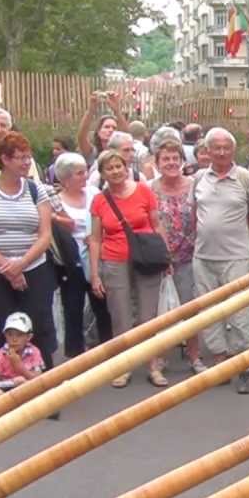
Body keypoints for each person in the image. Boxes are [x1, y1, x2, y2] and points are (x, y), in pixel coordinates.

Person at [0, 131, 58, 375]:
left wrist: (21, 265)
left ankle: (42, 382)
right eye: (21, 158)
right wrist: (7, 268)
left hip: (35, 269)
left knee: (38, 324)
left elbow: (45, 235)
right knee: (1, 325)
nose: (27, 162)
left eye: (28, 157)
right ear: (5, 160)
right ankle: (3, 383)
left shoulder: (35, 189)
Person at [192, 128, 249, 394]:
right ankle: (220, 362)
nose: (221, 152)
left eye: (226, 148)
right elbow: (195, 213)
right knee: (209, 313)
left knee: (240, 313)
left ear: (233, 151)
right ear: (207, 151)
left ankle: (246, 367)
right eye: (216, 148)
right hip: (204, 256)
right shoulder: (199, 177)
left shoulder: (245, 178)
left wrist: (243, 243)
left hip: (237, 257)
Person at [89, 148, 166, 388]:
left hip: (146, 258)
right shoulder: (100, 200)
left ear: (126, 167)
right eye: (109, 168)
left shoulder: (144, 190)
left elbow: (157, 224)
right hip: (114, 259)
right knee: (120, 316)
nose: (115, 172)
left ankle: (153, 365)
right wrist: (94, 274)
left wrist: (167, 257)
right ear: (102, 173)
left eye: (118, 166)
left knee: (147, 316)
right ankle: (123, 366)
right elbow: (95, 239)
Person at [52, 151, 113, 358]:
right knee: (72, 307)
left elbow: (106, 218)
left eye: (85, 172)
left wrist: (98, 236)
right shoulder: (56, 201)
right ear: (66, 178)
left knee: (103, 306)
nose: (85, 176)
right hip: (71, 261)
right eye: (79, 173)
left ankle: (109, 352)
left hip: (96, 258)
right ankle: (75, 355)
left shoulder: (94, 193)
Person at [150, 139, 202, 372]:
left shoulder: (195, 185)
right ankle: (160, 357)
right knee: (159, 311)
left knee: (189, 308)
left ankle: (194, 356)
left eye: (175, 158)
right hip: (159, 258)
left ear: (182, 161)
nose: (171, 163)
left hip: (190, 255)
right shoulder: (150, 189)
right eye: (166, 159)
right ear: (157, 163)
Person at [0, 312, 44, 400]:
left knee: (28, 384)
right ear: (5, 335)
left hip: (27, 387)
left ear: (29, 337)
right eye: (10, 334)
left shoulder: (34, 352)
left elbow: (38, 379)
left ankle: (26, 407)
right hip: (6, 390)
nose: (14, 339)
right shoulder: (1, 355)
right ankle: (10, 404)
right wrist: (12, 383)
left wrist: (20, 368)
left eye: (19, 335)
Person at [76, 92, 123, 165]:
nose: (111, 130)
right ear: (98, 131)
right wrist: (91, 111)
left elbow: (127, 133)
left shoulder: (121, 152)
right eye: (106, 127)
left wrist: (117, 111)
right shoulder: (92, 152)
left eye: (114, 128)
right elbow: (81, 137)